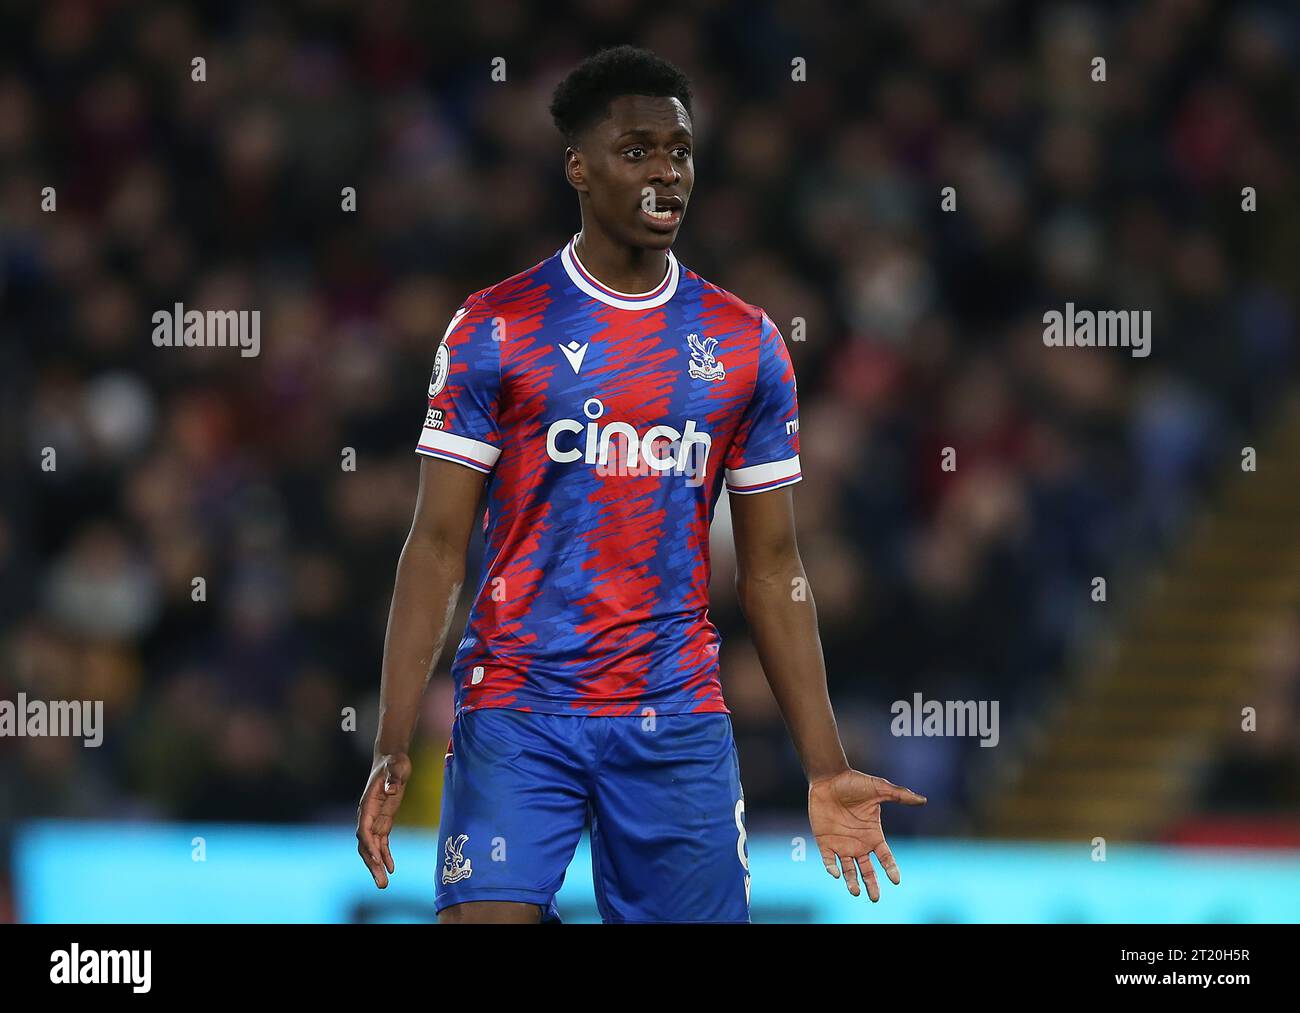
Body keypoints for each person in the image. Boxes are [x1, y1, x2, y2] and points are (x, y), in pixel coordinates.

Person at [356, 44, 925, 924]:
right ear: (577, 167)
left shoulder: (745, 345)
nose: (667, 170)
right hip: (518, 703)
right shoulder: (496, 328)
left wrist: (824, 762)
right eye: (637, 151)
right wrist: (395, 739)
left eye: (681, 150)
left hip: (674, 712)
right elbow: (435, 545)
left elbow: (773, 566)